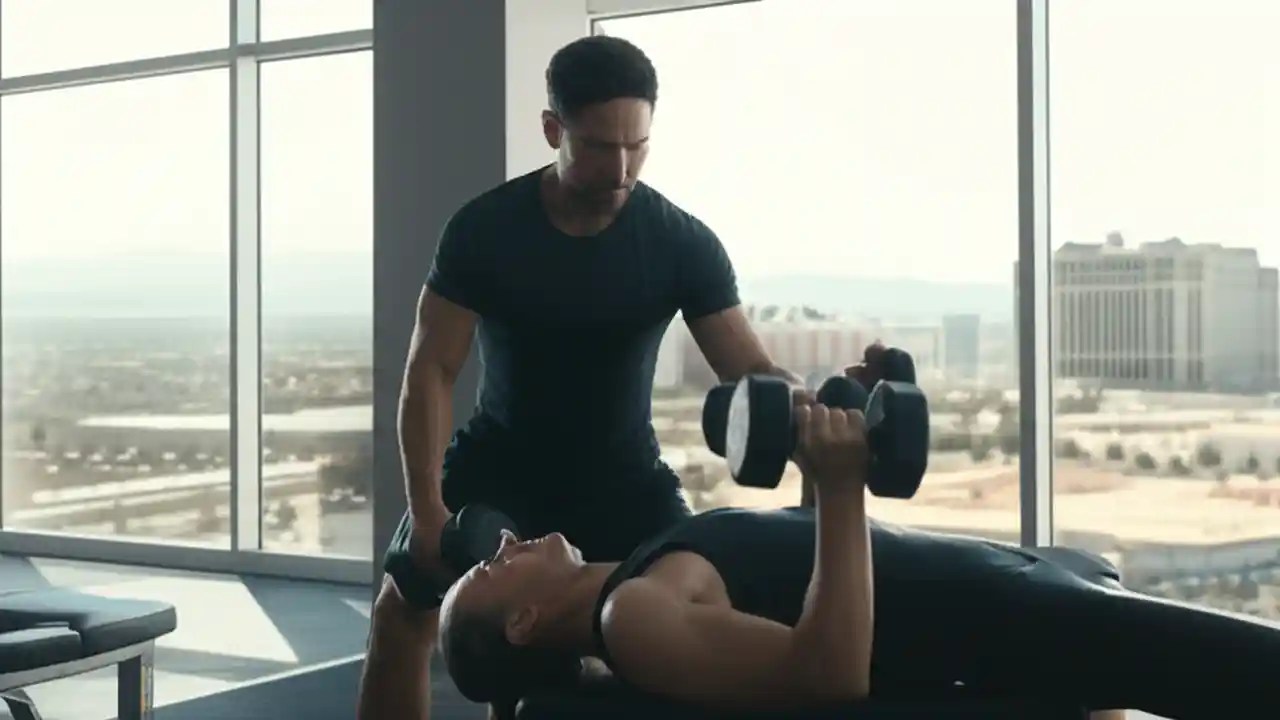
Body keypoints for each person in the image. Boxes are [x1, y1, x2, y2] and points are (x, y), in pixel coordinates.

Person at [357, 35, 820, 720]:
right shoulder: (484, 230)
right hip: (499, 465)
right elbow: (431, 370)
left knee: (701, 610)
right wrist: (428, 510)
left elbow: (749, 370)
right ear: (553, 129)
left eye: (638, 147)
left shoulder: (680, 242)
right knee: (404, 610)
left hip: (624, 479)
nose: (623, 168)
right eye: (603, 147)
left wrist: (814, 407)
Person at [439, 403, 1280, 720]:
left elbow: (799, 570)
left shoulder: (650, 567)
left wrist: (836, 446)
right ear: (522, 620)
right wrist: (841, 493)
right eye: (488, 571)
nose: (503, 545)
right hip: (1005, 626)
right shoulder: (634, 616)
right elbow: (828, 671)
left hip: (1012, 579)